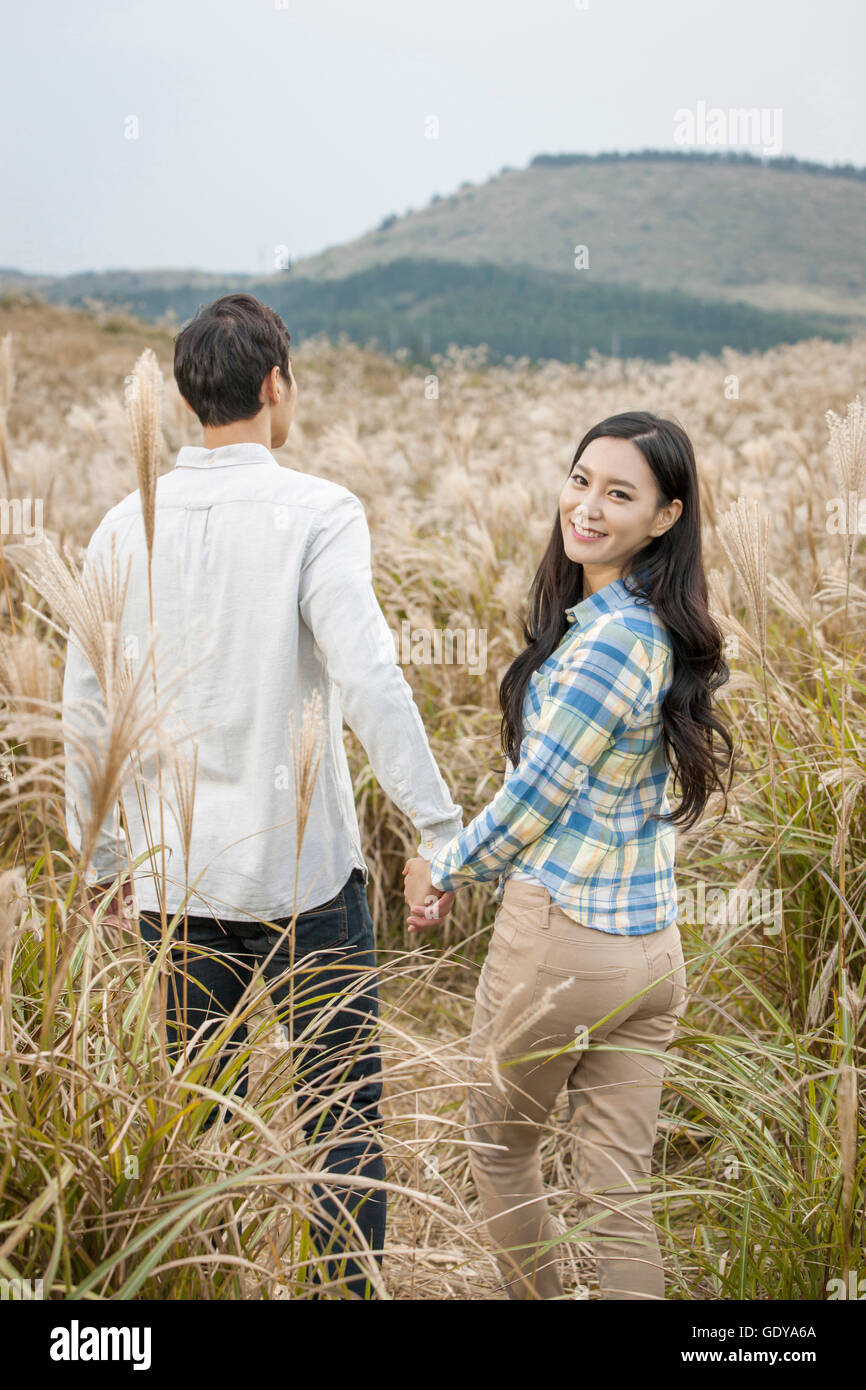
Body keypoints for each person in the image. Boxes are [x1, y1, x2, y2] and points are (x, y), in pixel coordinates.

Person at [62, 293, 463, 1298]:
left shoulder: (122, 524)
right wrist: (438, 825)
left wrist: (100, 859)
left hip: (174, 881)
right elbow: (371, 675)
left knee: (191, 1126)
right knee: (339, 1124)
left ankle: (199, 1286)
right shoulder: (316, 511)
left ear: (190, 396)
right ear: (275, 385)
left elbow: (86, 707)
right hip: (304, 880)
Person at [403, 412, 735, 1300]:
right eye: (581, 479)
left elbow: (537, 796)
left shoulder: (611, 640)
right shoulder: (653, 627)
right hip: (650, 952)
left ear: (666, 517)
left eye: (620, 494)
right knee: (617, 1192)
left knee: (498, 1147)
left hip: (561, 940)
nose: (587, 506)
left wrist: (442, 867)